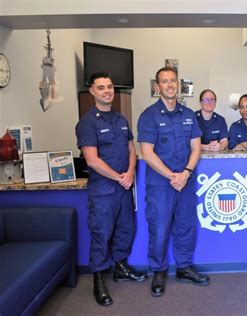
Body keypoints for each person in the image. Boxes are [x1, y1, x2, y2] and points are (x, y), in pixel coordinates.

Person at [75, 73, 147, 307]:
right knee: (101, 235)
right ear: (93, 92)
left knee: (125, 230)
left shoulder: (121, 120)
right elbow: (92, 160)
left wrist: (129, 173)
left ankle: (121, 267)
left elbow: (131, 150)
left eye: (110, 87)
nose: (107, 91)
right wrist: (119, 177)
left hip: (124, 188)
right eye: (101, 87)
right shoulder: (87, 122)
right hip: (104, 191)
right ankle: (98, 279)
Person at [137, 66, 209, 298]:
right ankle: (158, 271)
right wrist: (172, 176)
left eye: (173, 81)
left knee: (186, 226)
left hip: (185, 181)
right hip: (161, 185)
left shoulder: (189, 115)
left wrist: (186, 173)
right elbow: (147, 153)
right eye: (164, 81)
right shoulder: (149, 115)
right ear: (157, 86)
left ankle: (184, 268)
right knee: (159, 228)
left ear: (178, 85)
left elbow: (196, 147)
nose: (169, 85)